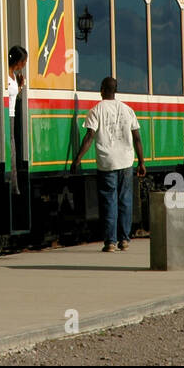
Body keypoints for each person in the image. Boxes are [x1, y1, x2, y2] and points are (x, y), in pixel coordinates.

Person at [71, 76, 146, 252]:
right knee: (125, 200)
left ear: (102, 90)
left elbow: (89, 137)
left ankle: (110, 242)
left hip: (107, 162)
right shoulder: (128, 110)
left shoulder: (96, 110)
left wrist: (77, 159)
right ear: (115, 90)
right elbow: (137, 138)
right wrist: (141, 162)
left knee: (108, 201)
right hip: (126, 161)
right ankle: (125, 239)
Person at [7, 46, 28, 193]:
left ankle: (14, 186)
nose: (25, 64)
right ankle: (12, 187)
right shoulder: (4, 75)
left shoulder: (14, 76)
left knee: (13, 151)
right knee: (10, 151)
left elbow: (12, 94)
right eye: (24, 61)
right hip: (3, 115)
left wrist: (20, 86)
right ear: (19, 62)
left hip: (12, 115)